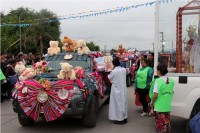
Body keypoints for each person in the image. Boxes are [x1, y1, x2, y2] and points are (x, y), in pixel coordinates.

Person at [150, 63, 175, 133]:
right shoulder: (172, 81)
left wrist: (152, 103)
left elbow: (155, 95)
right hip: (167, 107)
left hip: (159, 108)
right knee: (166, 125)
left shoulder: (157, 81)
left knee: (160, 126)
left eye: (157, 70)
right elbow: (172, 92)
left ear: (159, 71)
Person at [108, 57, 128, 124]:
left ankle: (120, 119)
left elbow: (110, 79)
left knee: (118, 104)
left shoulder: (114, 72)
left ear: (113, 64)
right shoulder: (123, 70)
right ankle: (124, 117)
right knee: (123, 102)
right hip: (123, 88)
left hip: (116, 89)